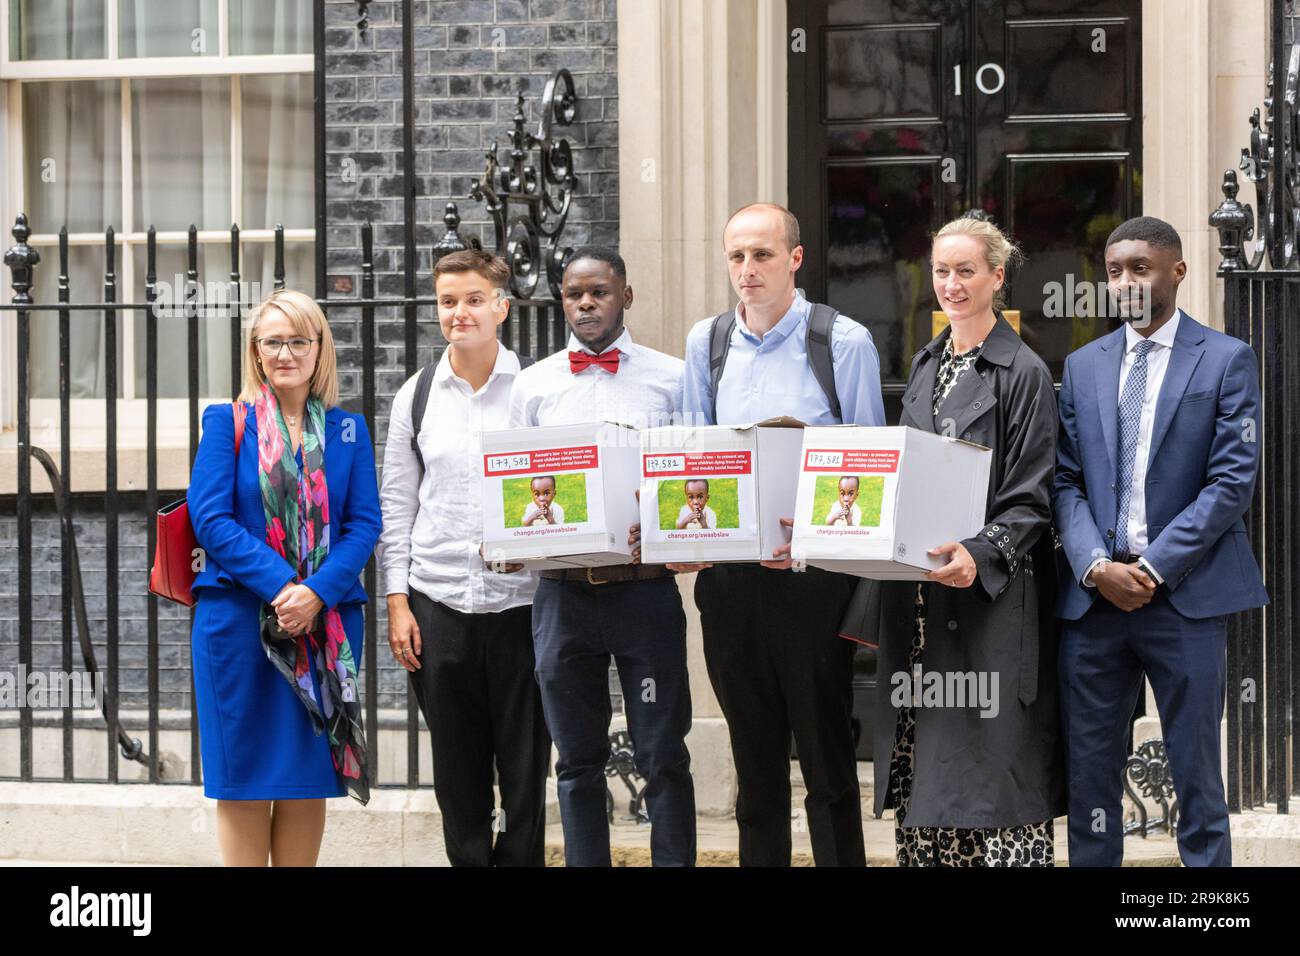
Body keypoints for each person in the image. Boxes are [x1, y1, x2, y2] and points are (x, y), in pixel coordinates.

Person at [1053, 216, 1267, 867]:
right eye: (1115, 270)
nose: (1126, 283)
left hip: (1185, 599)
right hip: (1094, 606)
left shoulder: (1226, 358)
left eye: (1139, 268)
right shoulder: (1083, 365)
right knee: (1091, 777)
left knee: (1196, 772)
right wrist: (1094, 565)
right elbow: (1065, 482)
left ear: (1176, 270)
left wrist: (1150, 568)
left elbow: (1231, 484)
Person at [681, 202, 884, 866]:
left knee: (827, 768)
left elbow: (872, 467)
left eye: (762, 255)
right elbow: (692, 459)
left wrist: (824, 522)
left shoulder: (841, 341)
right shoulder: (704, 344)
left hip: (813, 582)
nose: (747, 270)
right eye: (736, 256)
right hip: (732, 586)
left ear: (795, 258)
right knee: (755, 768)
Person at [871, 214, 1065, 866]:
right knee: (927, 783)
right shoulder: (925, 367)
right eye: (941, 271)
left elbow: (1031, 497)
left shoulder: (1026, 372)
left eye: (966, 270)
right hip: (924, 604)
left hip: (991, 601)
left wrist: (979, 554)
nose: (951, 284)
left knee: (994, 786)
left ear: (997, 277)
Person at [510, 245, 697, 866]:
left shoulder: (674, 378)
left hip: (643, 593)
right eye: (574, 294)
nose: (586, 303)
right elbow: (512, 487)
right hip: (561, 596)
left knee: (662, 752)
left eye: (600, 292)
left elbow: (693, 474)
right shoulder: (533, 386)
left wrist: (680, 538)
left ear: (627, 296)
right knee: (576, 760)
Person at [188, 288, 381, 866]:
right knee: (243, 775)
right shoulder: (228, 423)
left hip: (324, 626)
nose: (286, 352)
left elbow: (365, 524)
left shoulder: (348, 430)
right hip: (240, 624)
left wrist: (316, 594)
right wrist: (282, 588)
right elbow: (211, 517)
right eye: (273, 341)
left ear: (319, 348)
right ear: (255, 350)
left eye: (299, 340)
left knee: (305, 775)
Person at [379, 249, 550, 867]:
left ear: (502, 307)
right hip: (438, 604)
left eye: (474, 299)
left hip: (523, 606)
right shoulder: (416, 396)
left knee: (527, 771)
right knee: (458, 775)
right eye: (448, 301)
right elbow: (396, 506)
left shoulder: (535, 391)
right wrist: (397, 602)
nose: (460, 312)